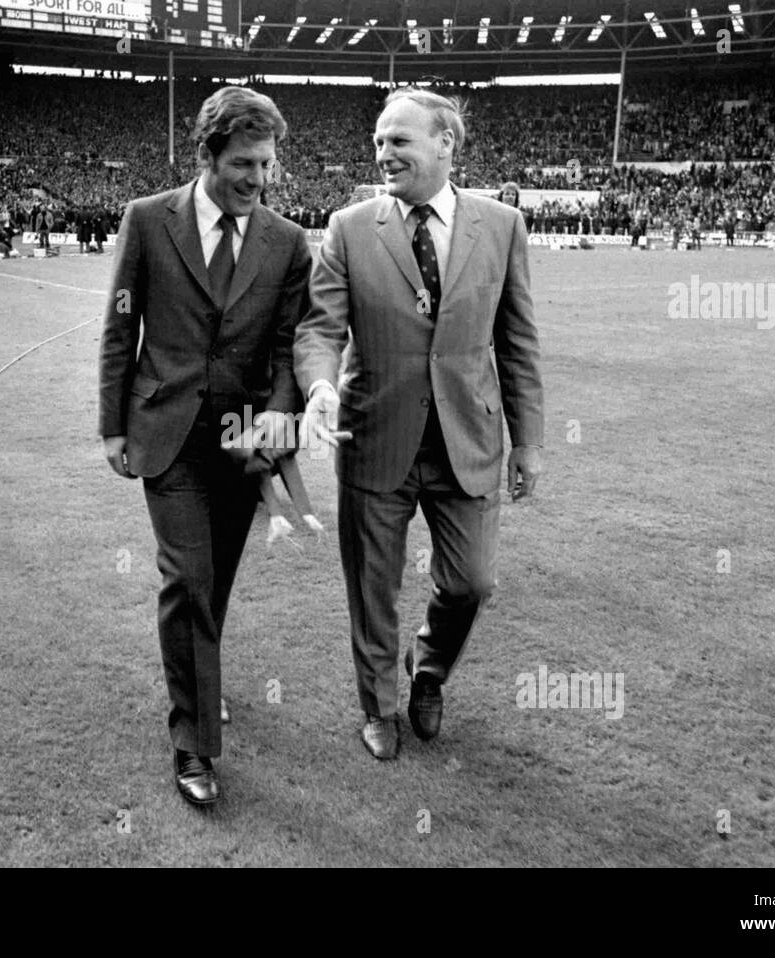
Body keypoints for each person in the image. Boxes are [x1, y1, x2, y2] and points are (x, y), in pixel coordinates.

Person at [295, 88, 544, 761]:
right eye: (378, 141)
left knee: (472, 583)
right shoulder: (349, 228)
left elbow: (517, 341)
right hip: (376, 439)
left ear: (445, 145)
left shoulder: (501, 226)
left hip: (469, 439)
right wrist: (320, 385)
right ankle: (378, 708)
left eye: (399, 140)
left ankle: (427, 669)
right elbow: (320, 328)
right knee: (373, 589)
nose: (384, 153)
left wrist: (530, 443)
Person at [98, 86, 311, 806]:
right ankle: (193, 743)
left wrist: (276, 424)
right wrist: (112, 424)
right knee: (186, 578)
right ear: (208, 155)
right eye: (245, 163)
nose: (258, 179)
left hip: (244, 443)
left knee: (214, 581)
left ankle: (202, 680)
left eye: (268, 165)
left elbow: (288, 350)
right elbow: (119, 328)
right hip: (167, 434)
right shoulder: (148, 222)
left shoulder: (286, 242)